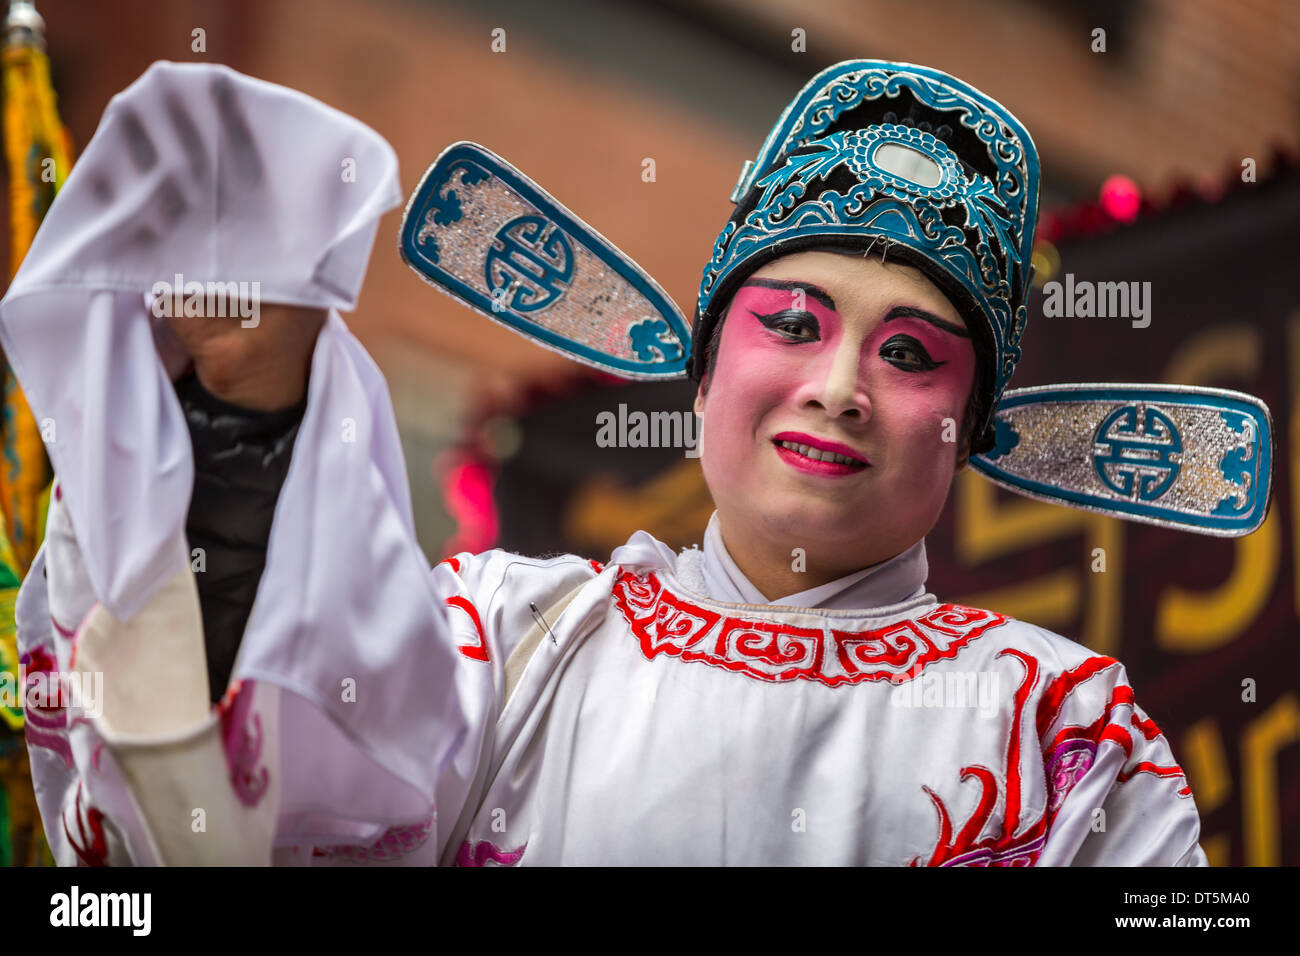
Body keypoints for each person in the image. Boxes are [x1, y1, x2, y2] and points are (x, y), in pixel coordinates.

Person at [1, 59, 1208, 866]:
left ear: (969, 422)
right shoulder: (501, 641)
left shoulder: (1063, 731)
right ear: (704, 364)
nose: (837, 386)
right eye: (790, 321)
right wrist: (240, 435)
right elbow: (224, 822)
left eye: (908, 353)